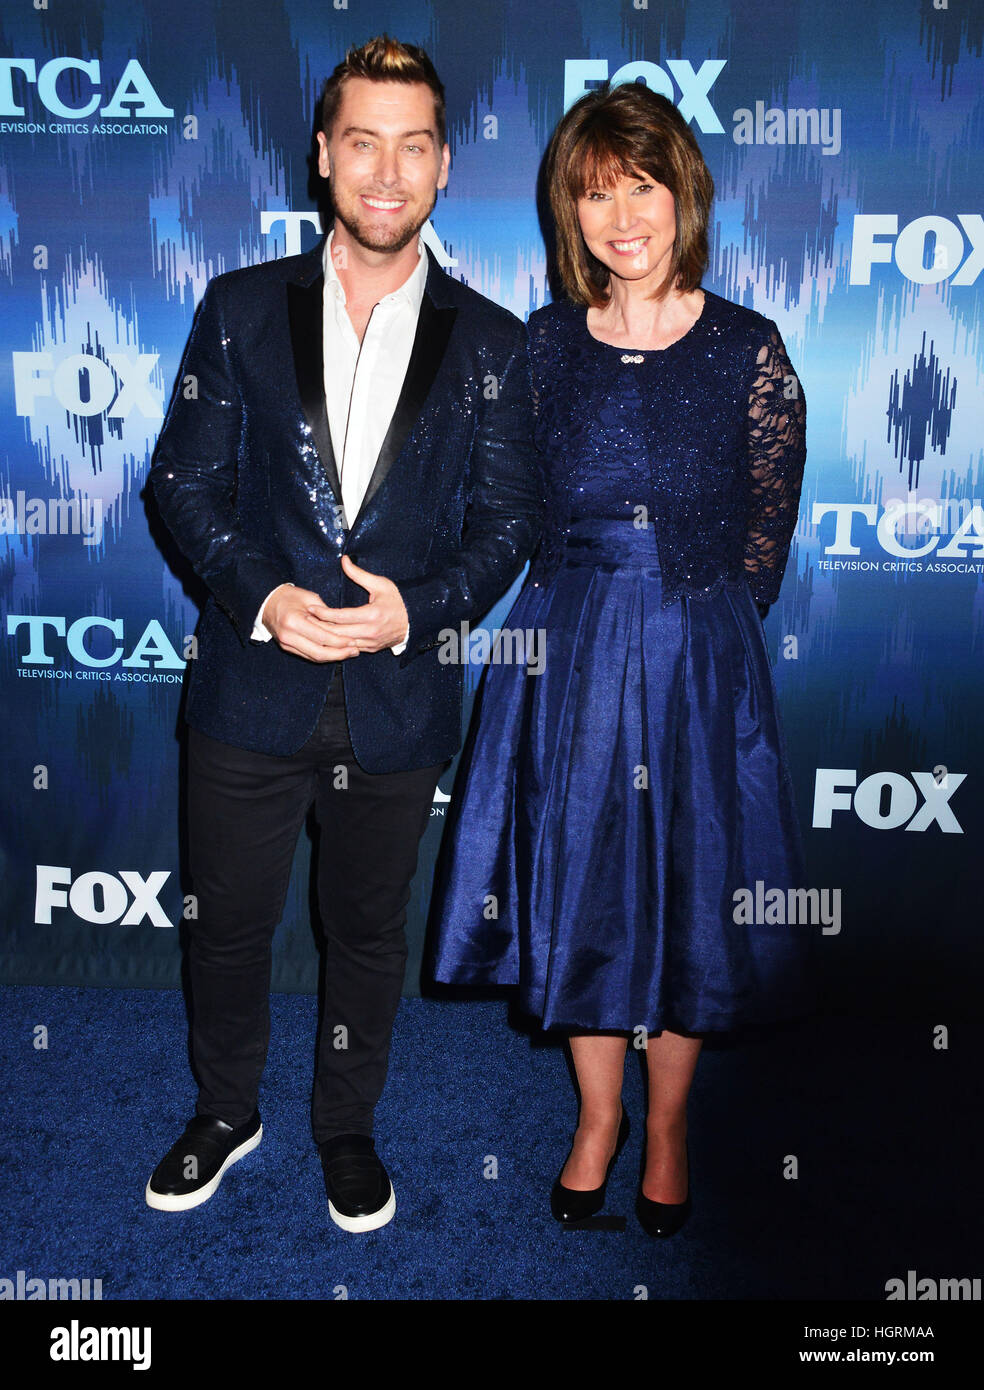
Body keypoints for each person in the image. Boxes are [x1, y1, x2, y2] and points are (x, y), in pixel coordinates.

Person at [145, 35, 542, 1233]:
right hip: (249, 685)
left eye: (411, 145)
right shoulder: (238, 309)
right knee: (228, 922)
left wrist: (415, 609)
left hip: (398, 696)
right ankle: (227, 1109)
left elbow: (512, 517)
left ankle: (345, 1124)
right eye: (361, 142)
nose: (386, 171)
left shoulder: (493, 340)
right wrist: (263, 595)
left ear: (442, 164)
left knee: (366, 931)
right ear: (323, 157)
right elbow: (182, 484)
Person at [429, 81, 816, 1237]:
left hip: (700, 652)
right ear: (571, 212)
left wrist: (697, 629)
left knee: (696, 892)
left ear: (681, 189)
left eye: (640, 185)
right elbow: (507, 514)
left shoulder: (749, 348)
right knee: (581, 887)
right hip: (569, 655)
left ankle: (671, 1126)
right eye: (595, 194)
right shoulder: (543, 346)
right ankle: (597, 1120)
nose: (622, 216)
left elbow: (766, 528)